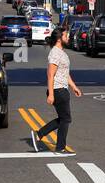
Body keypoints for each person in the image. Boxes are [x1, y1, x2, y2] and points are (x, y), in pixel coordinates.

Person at [30, 24, 81, 154]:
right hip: (58, 90)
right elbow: (50, 75)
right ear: (59, 38)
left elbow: (65, 73)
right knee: (66, 119)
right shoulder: (55, 53)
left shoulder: (61, 53)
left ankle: (39, 134)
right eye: (66, 35)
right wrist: (51, 94)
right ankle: (60, 147)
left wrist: (74, 87)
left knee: (64, 118)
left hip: (62, 89)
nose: (68, 37)